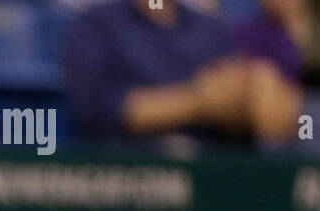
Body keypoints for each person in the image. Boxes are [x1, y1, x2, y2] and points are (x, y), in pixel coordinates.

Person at [64, 0, 300, 146]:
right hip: (126, 175)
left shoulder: (210, 29)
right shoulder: (95, 24)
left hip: (212, 176)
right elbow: (96, 111)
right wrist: (197, 101)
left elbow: (239, 103)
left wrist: (253, 90)